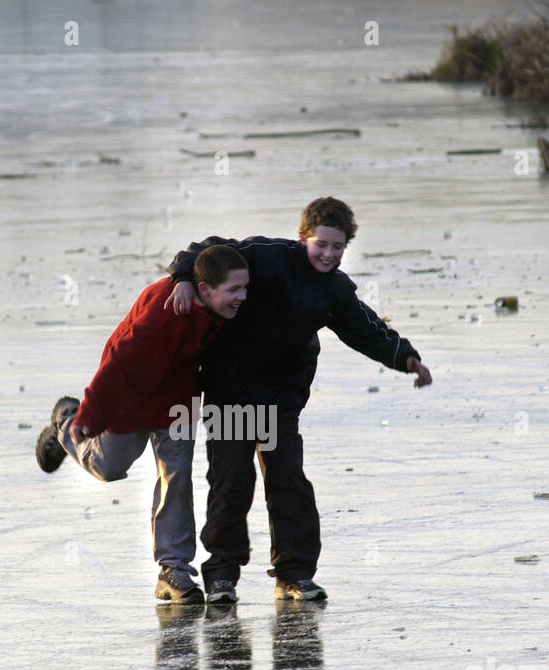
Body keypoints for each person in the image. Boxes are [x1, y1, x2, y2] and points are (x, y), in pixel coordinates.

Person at [165, 196, 432, 603]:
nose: (327, 254)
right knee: (231, 481)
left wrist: (405, 357)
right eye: (320, 244)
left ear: (347, 246)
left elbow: (366, 330)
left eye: (337, 247)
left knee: (287, 480)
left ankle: (293, 574)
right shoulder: (267, 257)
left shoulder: (335, 290)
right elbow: (205, 252)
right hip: (230, 391)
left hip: (279, 399)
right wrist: (184, 278)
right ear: (303, 237)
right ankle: (222, 575)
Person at [35, 245, 249, 604]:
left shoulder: (216, 301)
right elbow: (120, 364)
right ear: (206, 288)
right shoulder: (167, 311)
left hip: (178, 400)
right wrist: (89, 416)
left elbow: (204, 250)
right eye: (235, 290)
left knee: (176, 476)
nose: (242, 297)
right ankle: (65, 421)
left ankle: (173, 569)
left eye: (245, 289)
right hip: (131, 397)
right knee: (108, 467)